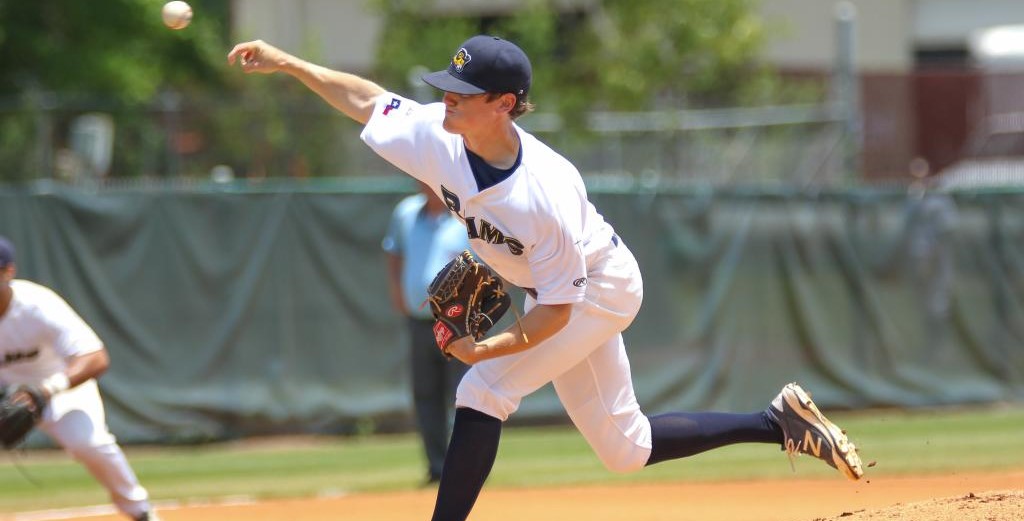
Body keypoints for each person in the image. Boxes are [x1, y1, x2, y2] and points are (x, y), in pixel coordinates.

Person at [228, 35, 863, 520]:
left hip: (598, 290)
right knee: (627, 449)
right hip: (557, 294)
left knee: (484, 390)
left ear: (503, 104)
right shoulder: (437, 134)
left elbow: (559, 313)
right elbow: (366, 100)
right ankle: (778, 422)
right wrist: (288, 63)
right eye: (446, 84)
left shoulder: (545, 194)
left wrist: (489, 349)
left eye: (460, 90)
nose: (445, 96)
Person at [0, 236, 161, 521]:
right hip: (6, 393)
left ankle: (141, 512)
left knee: (89, 443)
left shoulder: (37, 305)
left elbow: (95, 356)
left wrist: (47, 390)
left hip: (59, 388)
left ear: (8, 272)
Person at [382, 181, 471, 485]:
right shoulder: (405, 213)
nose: (426, 182)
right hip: (420, 320)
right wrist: (397, 291)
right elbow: (394, 253)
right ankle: (437, 468)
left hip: (458, 325)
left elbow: (487, 267)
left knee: (465, 395)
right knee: (426, 395)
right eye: (421, 176)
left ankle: (465, 468)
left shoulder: (465, 216)